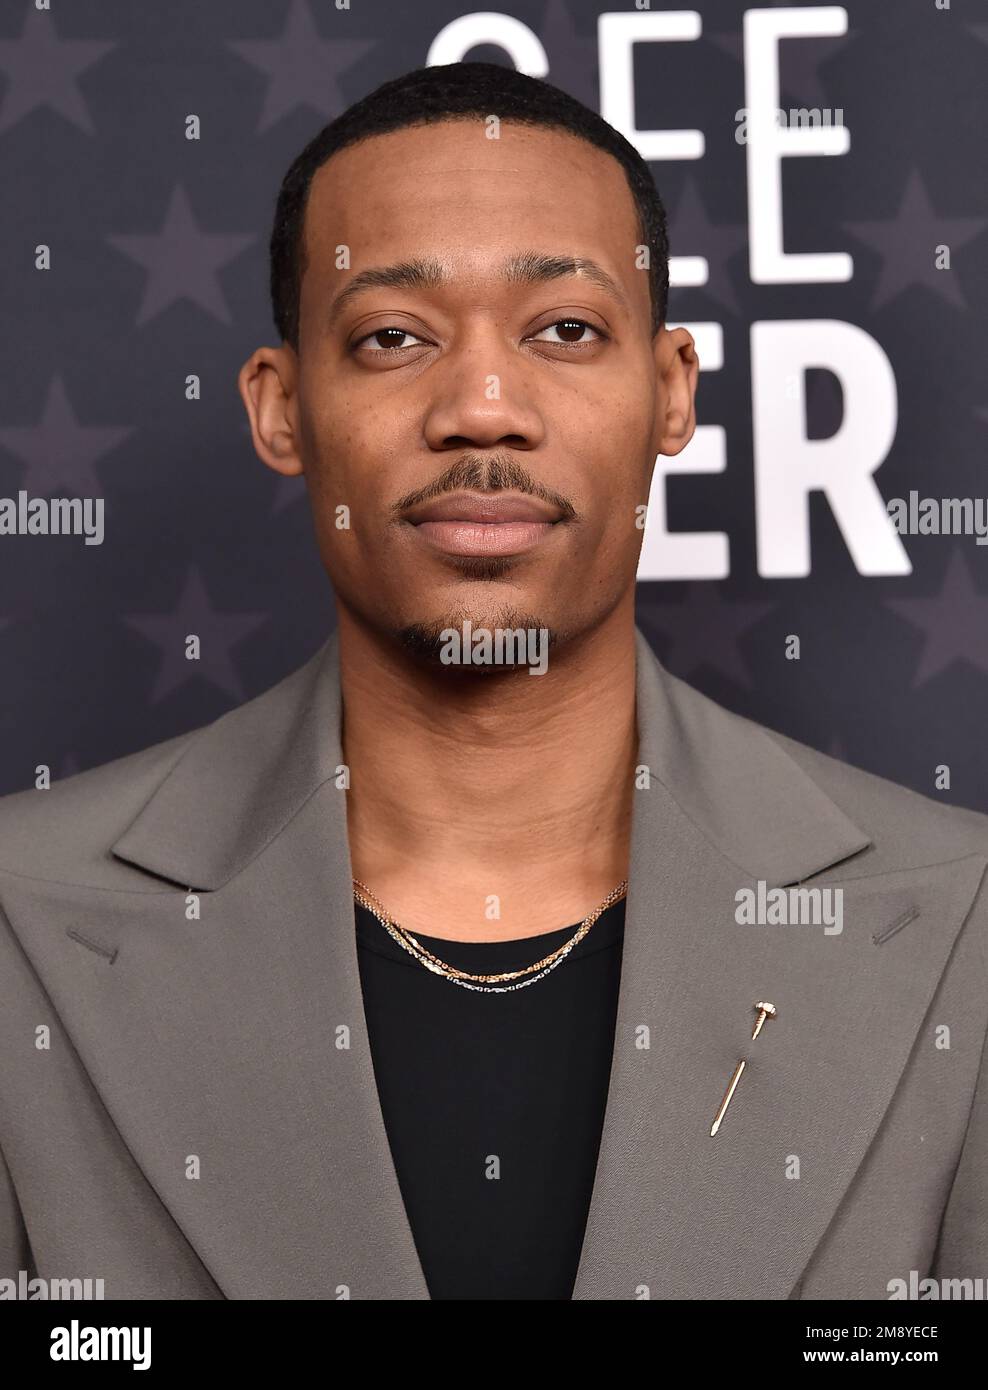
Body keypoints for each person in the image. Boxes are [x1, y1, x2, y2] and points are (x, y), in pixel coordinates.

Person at [0, 62, 985, 1302]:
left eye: (565, 329)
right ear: (282, 406)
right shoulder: (18, 918)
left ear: (671, 392)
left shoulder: (962, 922)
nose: (480, 406)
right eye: (391, 336)